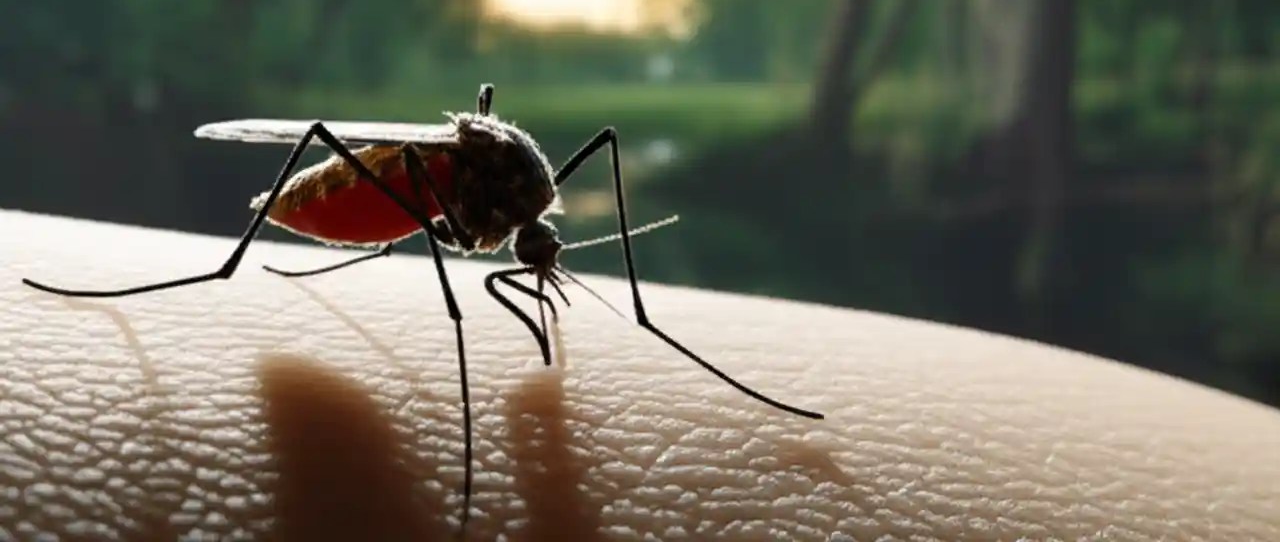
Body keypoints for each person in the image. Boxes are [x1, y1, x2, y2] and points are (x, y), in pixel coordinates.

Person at [4, 210, 1278, 540]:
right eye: (548, 253)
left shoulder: (524, 223)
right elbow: (464, 265)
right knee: (451, 290)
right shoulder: (496, 212)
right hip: (360, 234)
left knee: (461, 277)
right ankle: (191, 283)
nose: (545, 270)